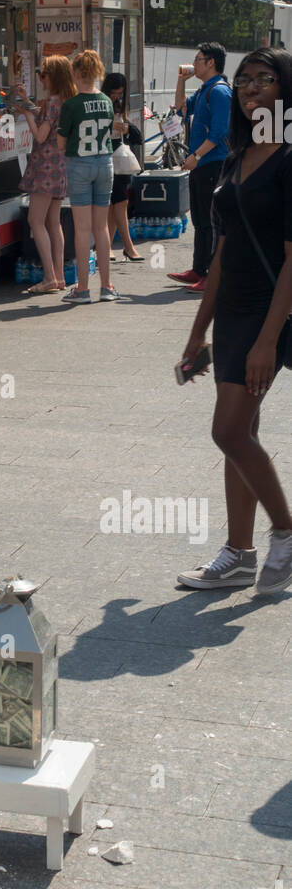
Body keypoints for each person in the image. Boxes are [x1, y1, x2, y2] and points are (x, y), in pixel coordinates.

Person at [177, 47, 292, 593]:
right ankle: (240, 553)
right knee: (239, 433)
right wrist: (199, 332)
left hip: (274, 310)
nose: (250, 89)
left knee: (227, 430)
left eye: (263, 79)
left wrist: (267, 341)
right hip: (234, 310)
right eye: (243, 80)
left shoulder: (290, 158)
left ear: (284, 90)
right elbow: (221, 255)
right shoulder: (234, 158)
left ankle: (287, 532)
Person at [56, 49, 119, 303]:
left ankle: (83, 289)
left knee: (82, 230)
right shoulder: (106, 101)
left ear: (78, 73)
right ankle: (107, 287)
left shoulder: (70, 105)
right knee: (101, 227)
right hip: (105, 163)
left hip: (80, 165)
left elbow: (61, 144)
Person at [169, 42, 232, 293]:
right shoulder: (205, 90)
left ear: (211, 62)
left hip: (212, 164)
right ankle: (198, 268)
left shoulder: (219, 92)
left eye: (198, 59)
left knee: (210, 221)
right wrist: (182, 80)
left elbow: (219, 131)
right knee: (200, 220)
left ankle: (210, 274)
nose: (193, 63)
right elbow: (181, 110)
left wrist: (195, 155)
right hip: (200, 164)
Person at [16, 55, 76, 294]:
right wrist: (25, 101)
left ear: (53, 77)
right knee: (54, 222)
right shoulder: (66, 100)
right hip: (60, 164)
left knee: (35, 221)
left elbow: (40, 135)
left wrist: (27, 114)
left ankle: (49, 277)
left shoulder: (52, 101)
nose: (41, 79)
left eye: (44, 75)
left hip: (45, 165)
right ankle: (59, 276)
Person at [102, 70, 144, 263]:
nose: (117, 96)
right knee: (118, 203)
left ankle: (108, 247)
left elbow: (132, 133)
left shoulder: (119, 105)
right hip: (107, 156)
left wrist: (125, 127)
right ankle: (127, 247)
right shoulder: (102, 103)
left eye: (120, 93)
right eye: (114, 92)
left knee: (116, 204)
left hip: (119, 156)